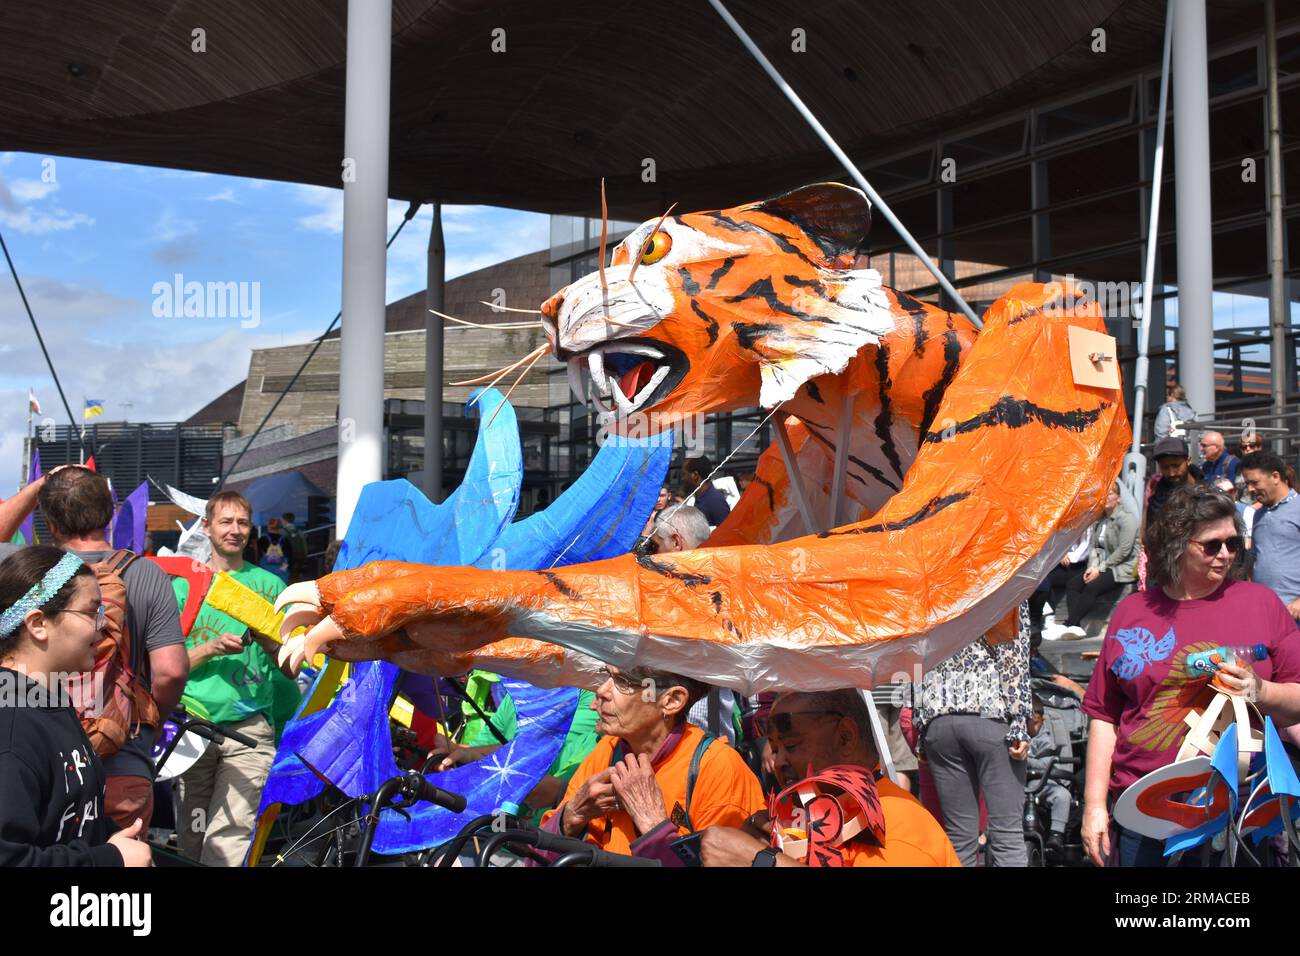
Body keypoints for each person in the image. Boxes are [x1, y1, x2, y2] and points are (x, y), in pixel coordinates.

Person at [1081, 484, 1300, 867]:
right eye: (1212, 545)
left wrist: (1260, 690)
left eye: (1234, 543)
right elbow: (1104, 715)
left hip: (1236, 814)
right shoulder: (1133, 612)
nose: (1226, 555)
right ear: (1178, 545)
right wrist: (1094, 805)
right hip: (1144, 809)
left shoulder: (1261, 603)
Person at [0, 466, 189, 830]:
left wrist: (39, 487)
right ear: (111, 513)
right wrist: (148, 724)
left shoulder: (28, 570)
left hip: (36, 759)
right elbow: (171, 671)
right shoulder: (145, 573)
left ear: (52, 523)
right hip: (122, 759)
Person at [0, 546, 152, 866]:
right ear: (38, 623)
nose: (104, 625)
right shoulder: (11, 726)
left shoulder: (49, 700)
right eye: (92, 611)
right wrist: (111, 859)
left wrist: (113, 841)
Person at [175, 491, 302, 866]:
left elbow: (290, 668)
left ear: (251, 529)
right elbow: (165, 664)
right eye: (225, 522)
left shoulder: (274, 587)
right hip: (191, 729)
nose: (234, 530)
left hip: (250, 733)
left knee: (227, 842)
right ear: (207, 526)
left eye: (242, 523)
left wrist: (268, 643)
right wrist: (210, 648)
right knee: (192, 840)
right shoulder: (182, 585)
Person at [697, 689, 960, 866]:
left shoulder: (895, 822)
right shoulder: (802, 819)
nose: (777, 763)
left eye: (791, 745)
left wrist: (763, 860)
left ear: (845, 737)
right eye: (774, 749)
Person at [537, 664, 764, 864]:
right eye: (606, 675)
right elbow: (535, 860)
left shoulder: (718, 768)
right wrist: (572, 815)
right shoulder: (608, 749)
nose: (601, 691)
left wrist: (653, 824)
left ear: (672, 700)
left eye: (622, 682)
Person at [907, 619, 1031, 866]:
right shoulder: (1002, 582)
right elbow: (1013, 653)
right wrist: (1019, 721)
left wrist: (921, 727)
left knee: (958, 839)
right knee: (1007, 837)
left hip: (939, 721)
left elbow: (914, 658)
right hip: (989, 713)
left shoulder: (931, 586)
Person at [642, 504, 740, 744]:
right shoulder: (727, 584)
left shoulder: (705, 594)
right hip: (687, 742)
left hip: (702, 745)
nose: (650, 555)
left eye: (654, 546)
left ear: (676, 542)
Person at [1059, 482, 1138, 640]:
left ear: (1119, 498)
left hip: (1123, 567)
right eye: (1104, 495)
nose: (1107, 498)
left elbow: (1124, 551)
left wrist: (1100, 568)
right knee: (1073, 584)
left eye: (1111, 494)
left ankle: (1071, 624)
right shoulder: (1101, 521)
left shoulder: (1126, 519)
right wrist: (1092, 567)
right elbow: (1095, 548)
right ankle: (1075, 626)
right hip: (1103, 565)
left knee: (1092, 587)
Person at [1241, 450, 1300, 620]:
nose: (1250, 489)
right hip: (1266, 612)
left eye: (1254, 482)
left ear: (1275, 477)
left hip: (1294, 613)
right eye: (1247, 483)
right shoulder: (1258, 514)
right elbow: (1255, 558)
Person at [1026, 696, 1071, 856]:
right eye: (1031, 723)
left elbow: (1046, 762)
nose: (1034, 727)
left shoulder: (1044, 739)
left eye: (1037, 722)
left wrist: (1027, 761)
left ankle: (1056, 834)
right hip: (1020, 783)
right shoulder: (1017, 736)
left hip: (1042, 781)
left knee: (1062, 795)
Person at [1030, 526, 1091, 640]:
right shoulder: (1063, 521)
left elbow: (1085, 548)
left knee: (1060, 581)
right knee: (1044, 580)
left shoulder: (1088, 524)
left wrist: (1068, 557)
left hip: (1077, 564)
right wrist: (1060, 555)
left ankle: (1050, 619)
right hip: (1060, 563)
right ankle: (1046, 619)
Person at [1144, 436, 1202, 534]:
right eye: (1165, 467)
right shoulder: (1157, 502)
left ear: (1188, 461)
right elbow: (1151, 536)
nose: (1171, 473)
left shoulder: (1208, 490)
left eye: (1176, 466)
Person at [683, 456, 730, 527]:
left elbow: (727, 533)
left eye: (684, 474)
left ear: (695, 475)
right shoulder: (696, 499)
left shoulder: (716, 502)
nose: (683, 478)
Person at [279, 512, 308, 582]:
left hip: (286, 560)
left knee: (284, 579)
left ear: (284, 520)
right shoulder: (300, 532)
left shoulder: (281, 532)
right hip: (298, 560)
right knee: (295, 579)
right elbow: (304, 548)